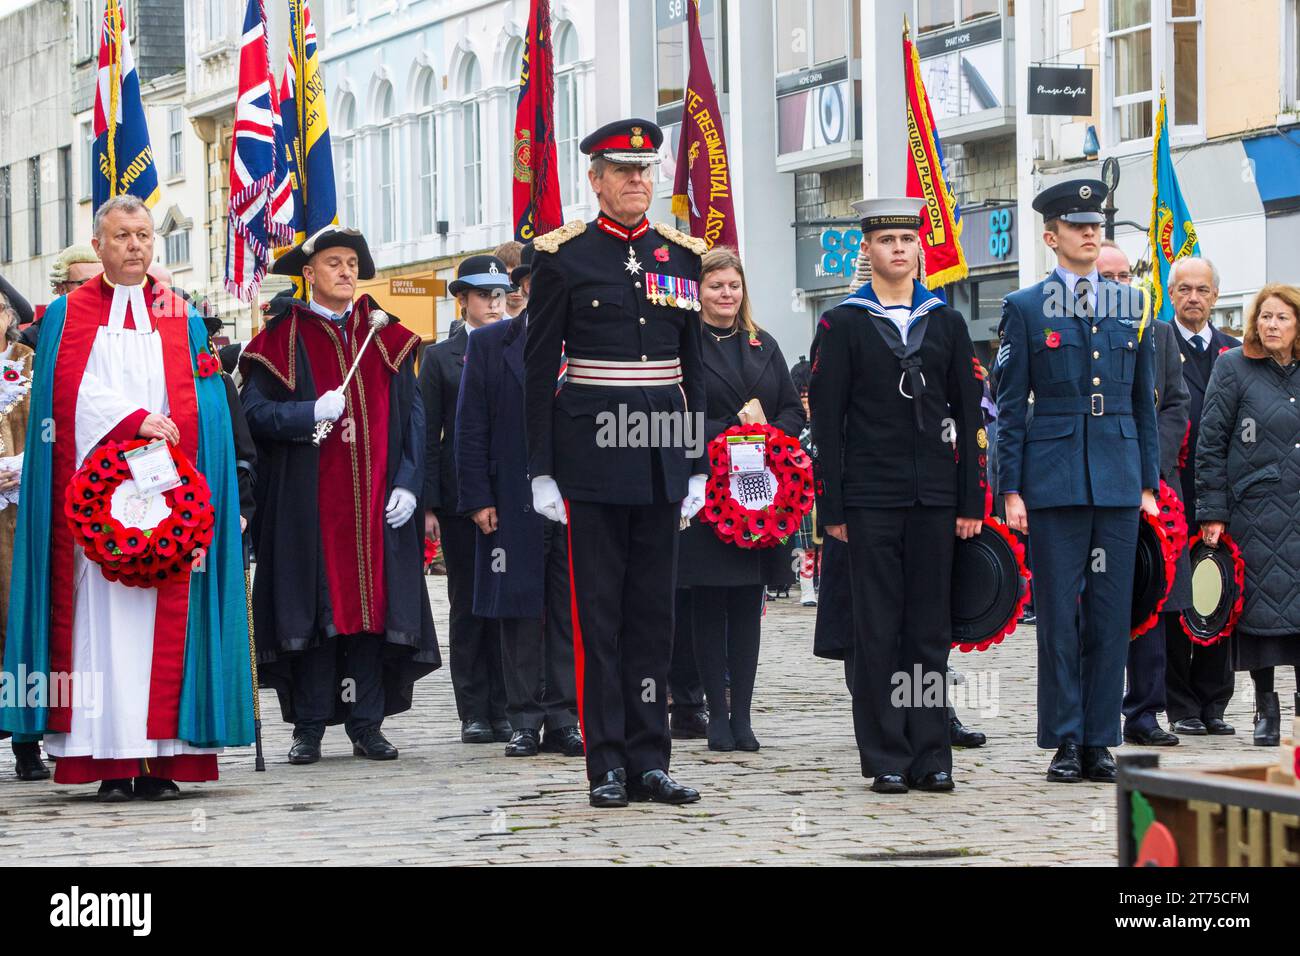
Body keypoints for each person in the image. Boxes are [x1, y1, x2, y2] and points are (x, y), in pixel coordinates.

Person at [0, 195, 254, 800]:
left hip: (166, 490)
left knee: (163, 626)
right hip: (95, 501)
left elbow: (208, 403)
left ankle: (162, 761)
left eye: (143, 235)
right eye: (122, 236)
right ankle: (111, 761)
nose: (136, 245)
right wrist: (133, 419)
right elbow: (66, 402)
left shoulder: (180, 313)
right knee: (99, 634)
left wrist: (199, 470)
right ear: (99, 246)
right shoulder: (68, 314)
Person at [524, 117, 706, 808]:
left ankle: (649, 758)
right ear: (594, 180)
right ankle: (605, 763)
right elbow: (540, 370)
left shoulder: (682, 256)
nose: (637, 180)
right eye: (622, 170)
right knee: (597, 616)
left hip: (660, 452)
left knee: (652, 617)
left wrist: (693, 463)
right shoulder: (562, 257)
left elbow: (693, 367)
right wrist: (540, 468)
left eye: (645, 169)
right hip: (593, 455)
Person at [241, 225, 438, 765]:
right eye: (333, 262)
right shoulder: (280, 341)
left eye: (352, 262)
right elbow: (252, 417)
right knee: (315, 615)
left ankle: (366, 723)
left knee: (372, 617)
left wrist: (408, 482)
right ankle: (308, 727)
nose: (346, 271)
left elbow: (414, 421)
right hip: (308, 508)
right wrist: (306, 414)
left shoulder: (387, 337)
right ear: (308, 274)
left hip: (376, 506)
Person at [810, 197, 986, 794]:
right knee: (878, 630)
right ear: (869, 250)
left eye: (907, 240)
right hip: (869, 501)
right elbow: (827, 423)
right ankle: (886, 754)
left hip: (934, 499)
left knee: (929, 633)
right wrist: (830, 508)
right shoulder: (842, 324)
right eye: (887, 240)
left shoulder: (947, 322)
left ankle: (932, 753)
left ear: (919, 249)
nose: (899, 250)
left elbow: (970, 419)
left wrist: (970, 503)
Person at [996, 179, 1159, 784]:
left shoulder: (1132, 304)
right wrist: (1009, 488)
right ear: (1051, 236)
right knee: (1060, 617)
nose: (1090, 232)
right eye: (1077, 225)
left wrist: (1148, 480)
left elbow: (1143, 401)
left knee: (1112, 614)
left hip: (1117, 477)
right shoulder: (1026, 306)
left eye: (1096, 223)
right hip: (1055, 478)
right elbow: (1011, 406)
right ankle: (1064, 739)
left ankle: (1100, 739)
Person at [454, 244, 583, 758]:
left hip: (576, 500)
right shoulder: (491, 344)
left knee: (567, 609)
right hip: (511, 499)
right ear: (524, 289)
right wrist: (478, 498)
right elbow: (470, 427)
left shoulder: (587, 346)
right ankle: (524, 718)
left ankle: (566, 717)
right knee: (519, 611)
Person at [676, 246, 803, 752]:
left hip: (761, 495)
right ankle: (715, 714)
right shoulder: (686, 345)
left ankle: (744, 715)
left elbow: (794, 412)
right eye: (716, 286)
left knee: (748, 604)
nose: (726, 295)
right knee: (709, 602)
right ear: (700, 292)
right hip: (709, 491)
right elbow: (674, 419)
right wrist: (730, 430)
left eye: (733, 286)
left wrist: (769, 432)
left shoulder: (763, 344)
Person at [1195, 284, 1300, 747]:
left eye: (1282, 318)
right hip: (1256, 510)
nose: (1272, 325)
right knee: (1260, 615)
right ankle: (1266, 707)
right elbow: (1210, 443)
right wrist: (1212, 510)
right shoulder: (1232, 367)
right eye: (1265, 317)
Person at [1097, 243, 1190, 748]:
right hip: (1096, 489)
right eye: (1106, 276)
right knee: (1103, 604)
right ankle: (1097, 716)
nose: (1118, 284)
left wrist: (1147, 472)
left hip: (1151, 492)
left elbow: (1174, 405)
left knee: (1152, 600)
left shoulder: (1157, 334)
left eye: (1124, 275)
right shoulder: (1072, 334)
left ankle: (1145, 712)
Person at [421, 255, 512, 745]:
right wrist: (430, 505)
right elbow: (429, 436)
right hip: (460, 499)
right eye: (484, 295)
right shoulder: (439, 358)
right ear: (463, 301)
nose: (494, 304)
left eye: (500, 294)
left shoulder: (517, 346)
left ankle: (508, 704)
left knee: (509, 602)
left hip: (510, 493)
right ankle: (474, 708)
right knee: (469, 603)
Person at [1163, 257, 1238, 736]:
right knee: (1175, 599)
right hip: (1175, 489)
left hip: (1227, 495)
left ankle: (1215, 701)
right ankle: (1181, 703)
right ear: (1172, 294)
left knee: (1219, 594)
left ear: (1215, 296)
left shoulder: (1234, 352)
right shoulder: (1155, 345)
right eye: (1185, 289)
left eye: (1203, 289)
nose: (1194, 297)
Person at [0, 292, 44, 779]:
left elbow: (56, 428)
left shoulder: (33, 365)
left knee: (23, 623)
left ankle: (27, 741)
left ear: (9, 316)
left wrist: (24, 464)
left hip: (24, 515)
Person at [19, 246, 103, 350]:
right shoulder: (34, 338)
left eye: (100, 282)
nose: (95, 289)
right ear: (61, 289)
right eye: (85, 283)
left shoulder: (118, 327)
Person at [494, 240, 529, 319]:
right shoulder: (481, 325)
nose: (516, 288)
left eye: (521, 276)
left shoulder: (546, 320)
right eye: (508, 277)